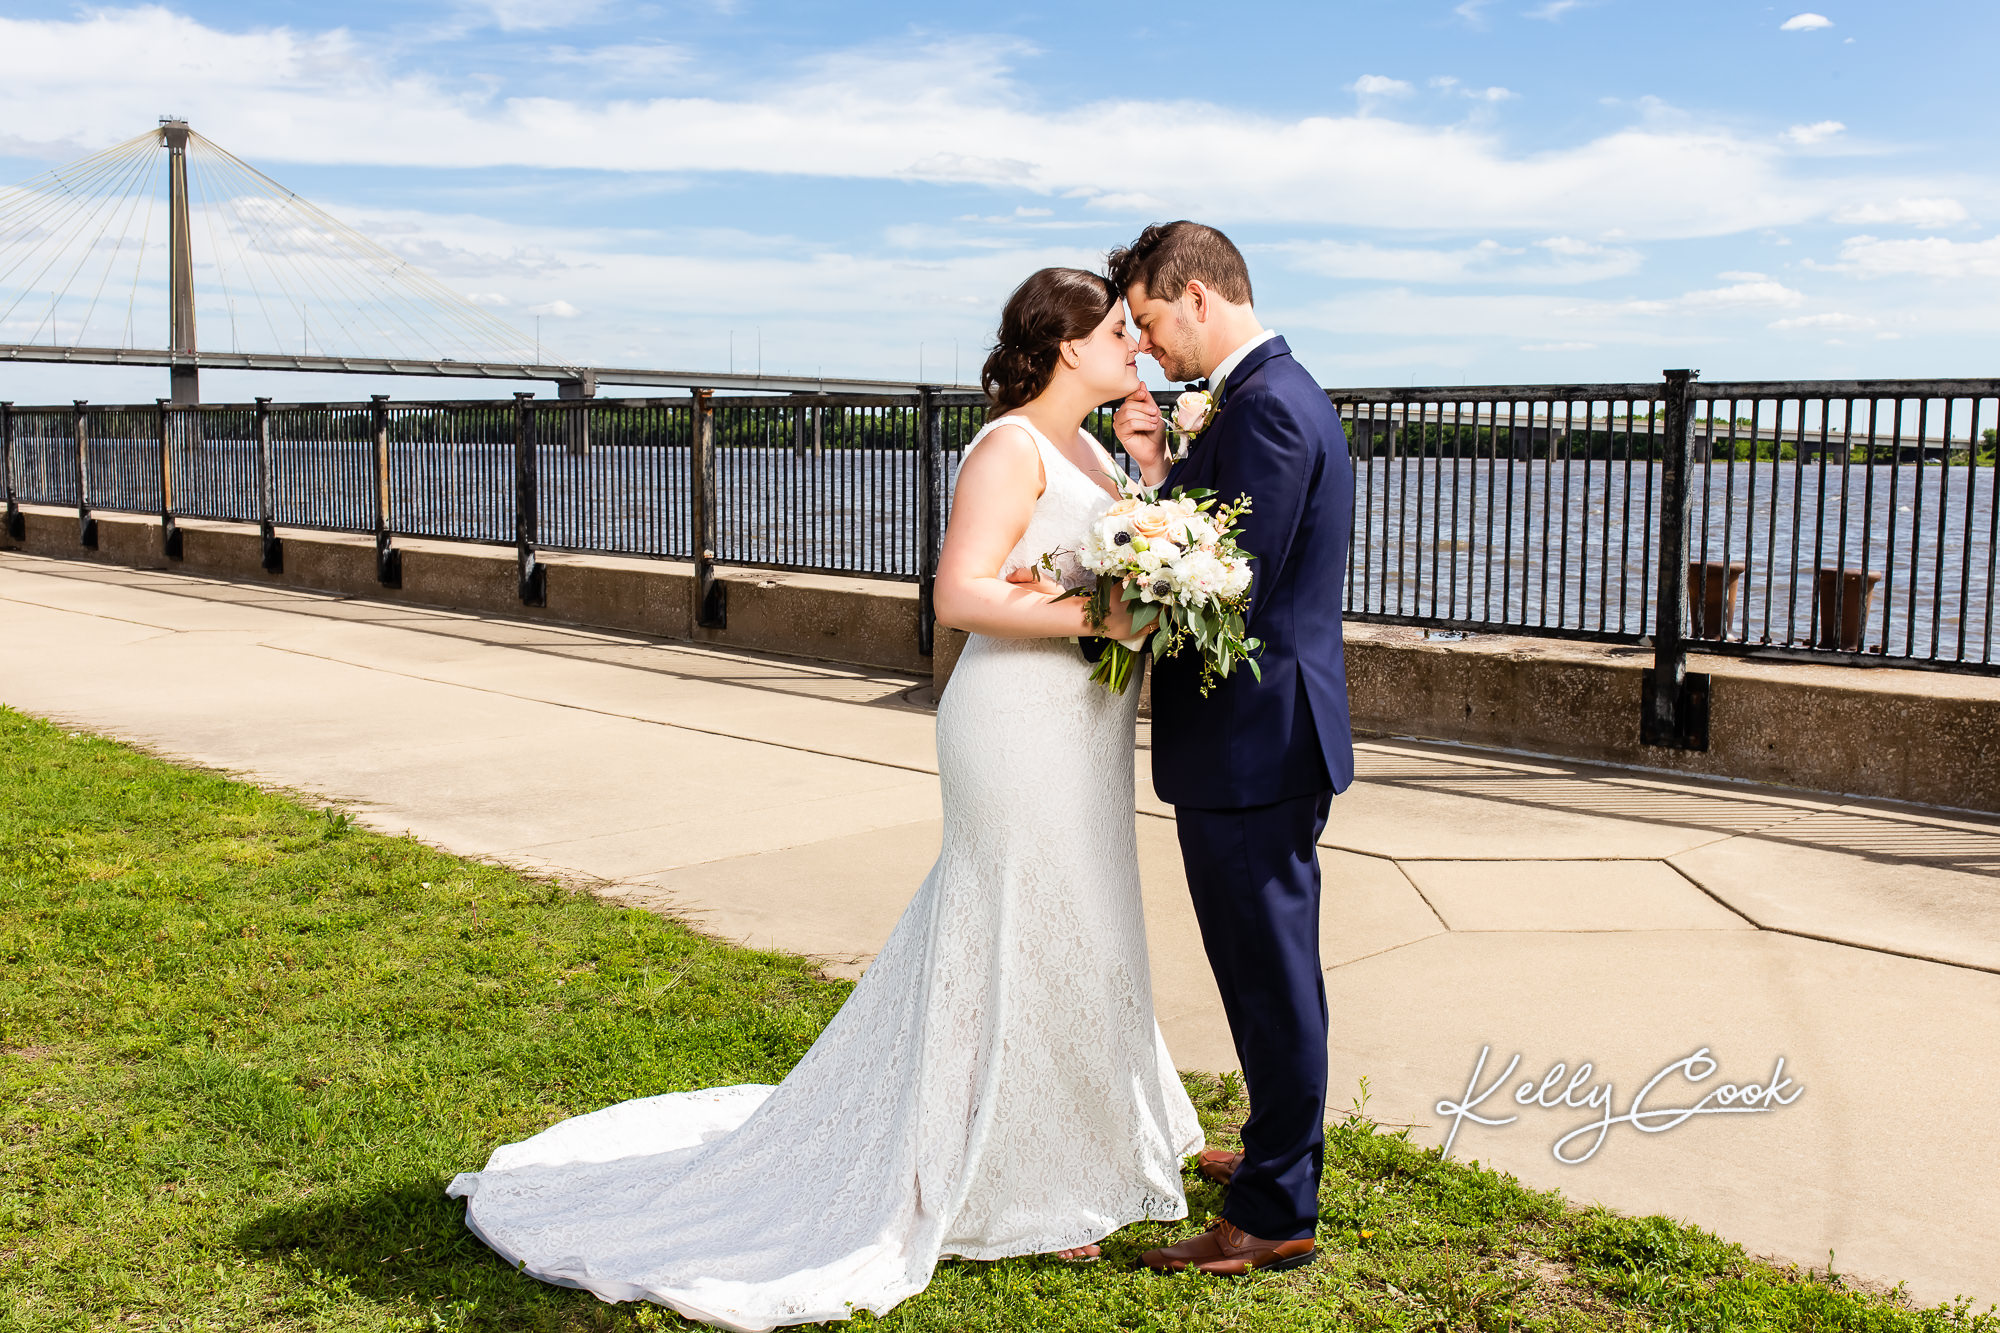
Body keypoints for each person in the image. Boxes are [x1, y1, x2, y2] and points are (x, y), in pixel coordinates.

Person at [444, 266, 1203, 1332]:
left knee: (1083, 913)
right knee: (1015, 916)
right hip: (1015, 721)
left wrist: (1146, 476)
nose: (1137, 343)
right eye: (1118, 329)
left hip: (1083, 726)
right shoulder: (1008, 447)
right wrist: (1093, 621)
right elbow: (959, 593)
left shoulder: (1092, 447)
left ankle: (1080, 1131)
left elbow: (1120, 559)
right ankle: (1002, 1167)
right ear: (1065, 346)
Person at [1105, 221, 1355, 1276]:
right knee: (1260, 964)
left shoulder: (1265, 410)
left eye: (1152, 322)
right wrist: (1160, 467)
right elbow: (1218, 537)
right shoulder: (1267, 399)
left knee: (1267, 974)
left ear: (1197, 297)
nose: (1150, 350)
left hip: (1256, 736)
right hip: (1264, 731)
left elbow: (1216, 572)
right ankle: (1268, 1155)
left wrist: (1114, 558)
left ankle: (1272, 1211)